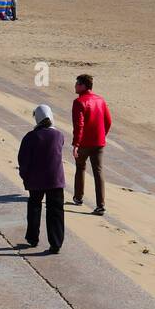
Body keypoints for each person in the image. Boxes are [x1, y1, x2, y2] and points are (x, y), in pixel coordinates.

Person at [17, 104, 66, 254]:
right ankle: (56, 243)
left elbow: (23, 159)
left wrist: (24, 175)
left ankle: (33, 238)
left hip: (36, 179)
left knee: (34, 207)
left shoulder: (30, 137)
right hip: (55, 179)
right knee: (56, 211)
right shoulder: (59, 135)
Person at [71, 73, 112, 215]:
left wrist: (76, 143)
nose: (75, 86)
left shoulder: (79, 102)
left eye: (77, 83)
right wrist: (102, 135)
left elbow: (79, 125)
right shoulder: (100, 100)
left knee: (80, 168)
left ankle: (78, 197)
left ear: (83, 85)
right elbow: (108, 121)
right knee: (98, 172)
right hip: (99, 143)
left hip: (84, 143)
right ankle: (101, 205)